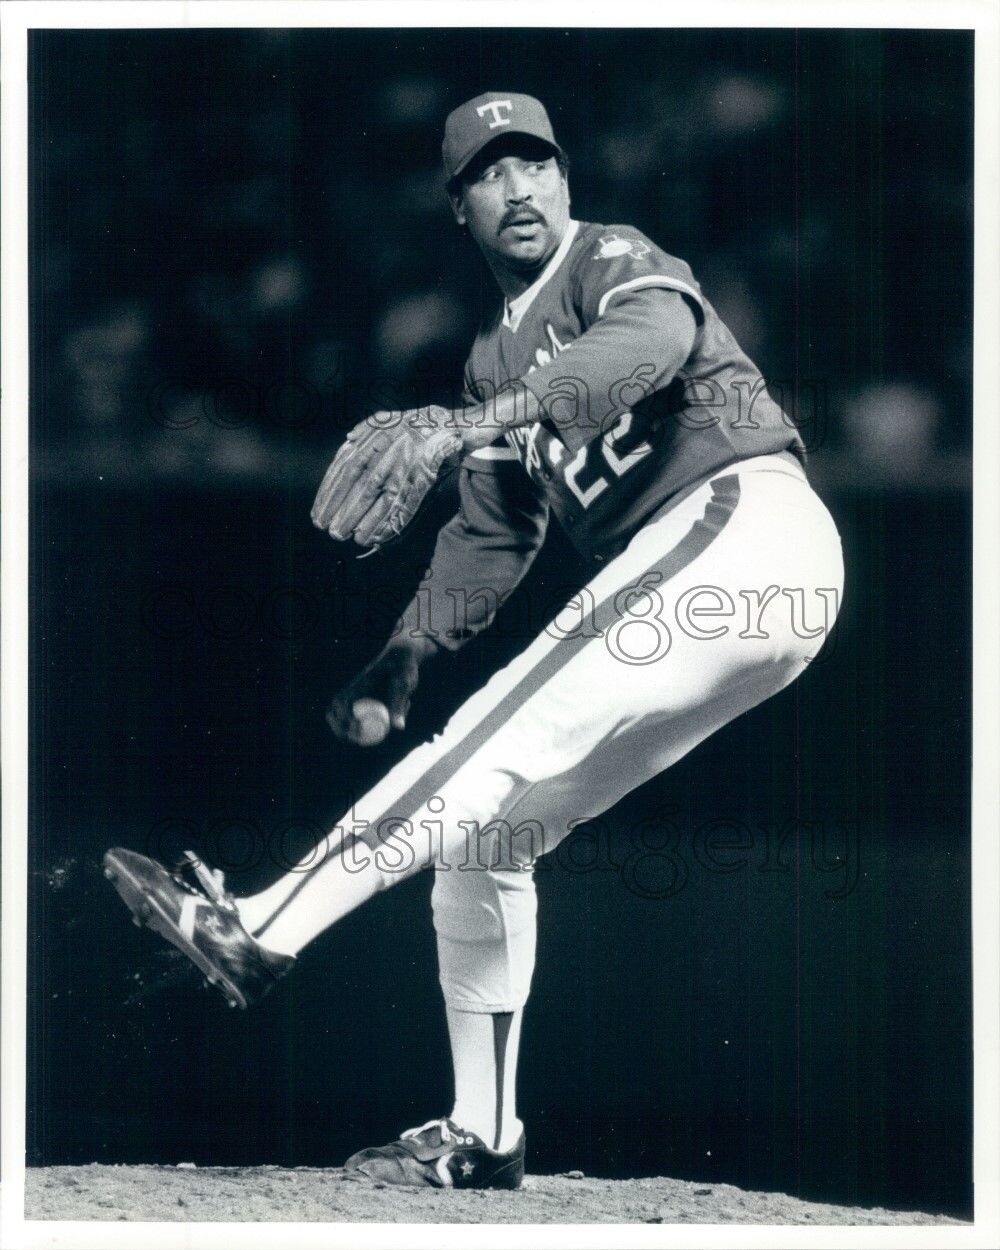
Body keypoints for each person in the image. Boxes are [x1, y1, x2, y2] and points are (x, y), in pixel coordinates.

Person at [104, 92, 844, 1191]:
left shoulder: (610, 258)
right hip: (728, 589)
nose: (519, 187)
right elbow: (493, 535)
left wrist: (471, 424)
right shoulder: (493, 365)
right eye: (490, 173)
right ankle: (484, 1130)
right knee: (489, 834)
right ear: (459, 207)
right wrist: (407, 649)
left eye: (534, 162)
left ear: (564, 176)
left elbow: (652, 341)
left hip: (742, 528)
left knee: (489, 741)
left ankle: (258, 924)